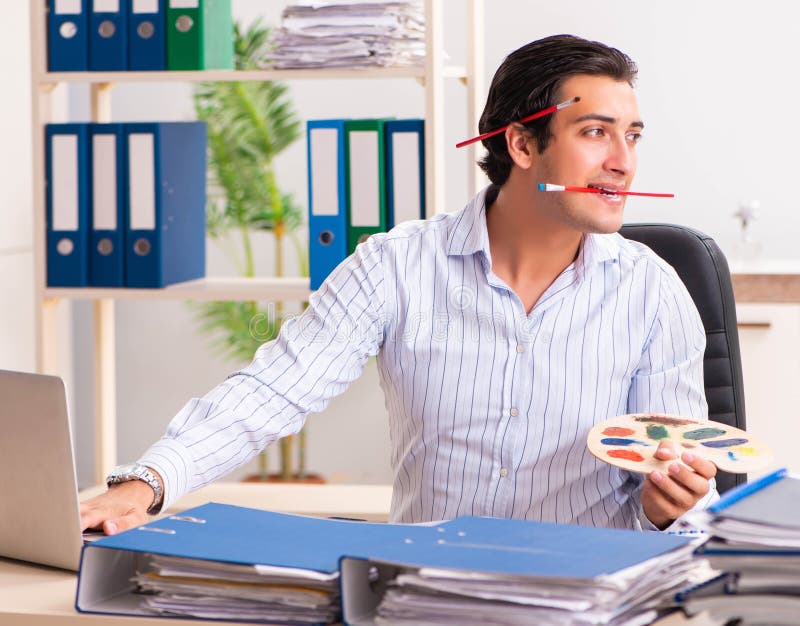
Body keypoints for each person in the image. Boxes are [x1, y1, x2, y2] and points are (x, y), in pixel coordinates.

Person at [82, 34, 717, 535]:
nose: (623, 161)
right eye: (595, 132)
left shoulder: (653, 294)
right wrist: (146, 483)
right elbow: (274, 389)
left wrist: (669, 507)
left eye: (631, 135)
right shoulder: (395, 266)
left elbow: (686, 507)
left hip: (587, 603)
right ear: (523, 145)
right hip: (427, 596)